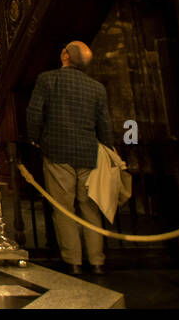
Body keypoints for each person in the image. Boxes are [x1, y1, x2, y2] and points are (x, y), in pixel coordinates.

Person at [26, 41, 114, 275]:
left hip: (58, 152)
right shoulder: (96, 88)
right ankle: (97, 260)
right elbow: (104, 123)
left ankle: (73, 260)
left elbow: (35, 111)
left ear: (65, 55)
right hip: (88, 152)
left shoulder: (48, 79)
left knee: (64, 208)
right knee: (91, 208)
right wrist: (109, 149)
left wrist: (33, 138)